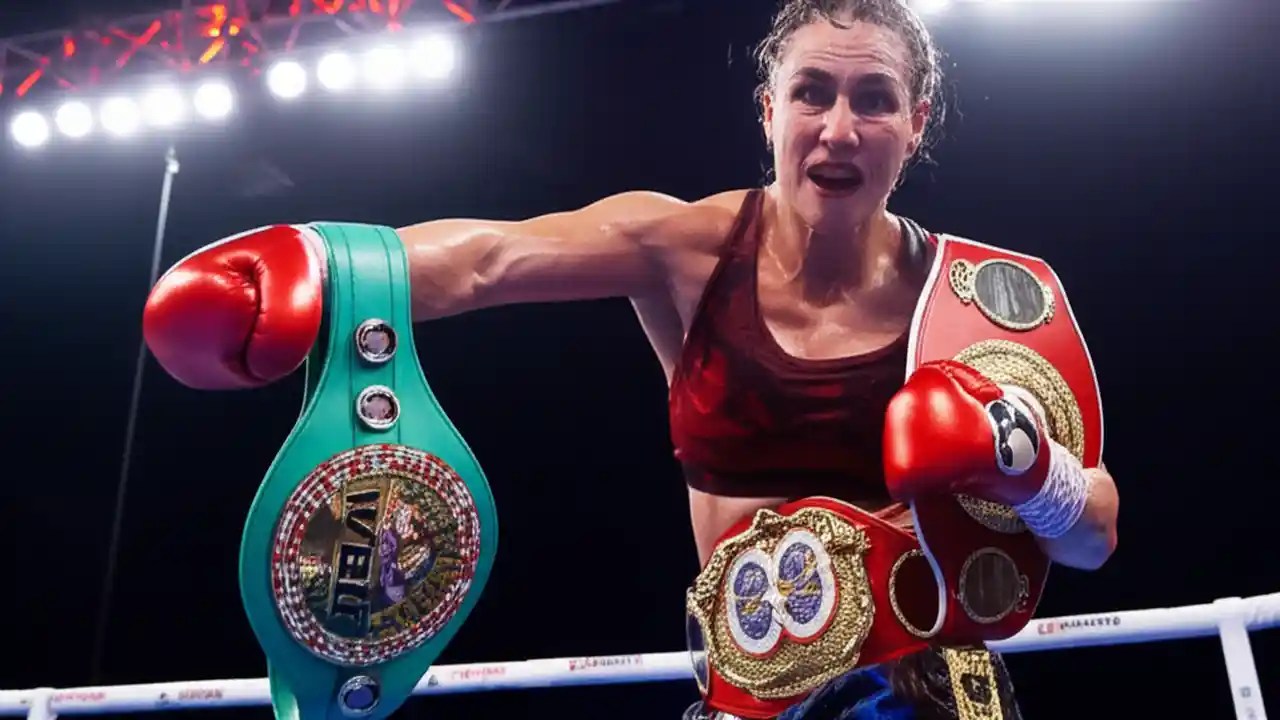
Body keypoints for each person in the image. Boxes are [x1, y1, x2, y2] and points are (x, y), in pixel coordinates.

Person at [141, 0, 1120, 717]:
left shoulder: (981, 299)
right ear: (767, 111)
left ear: (915, 122)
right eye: (810, 93)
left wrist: (1027, 469)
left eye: (873, 99)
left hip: (931, 693)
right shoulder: (685, 250)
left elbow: (1092, 536)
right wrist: (327, 265)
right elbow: (490, 259)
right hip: (743, 690)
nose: (837, 129)